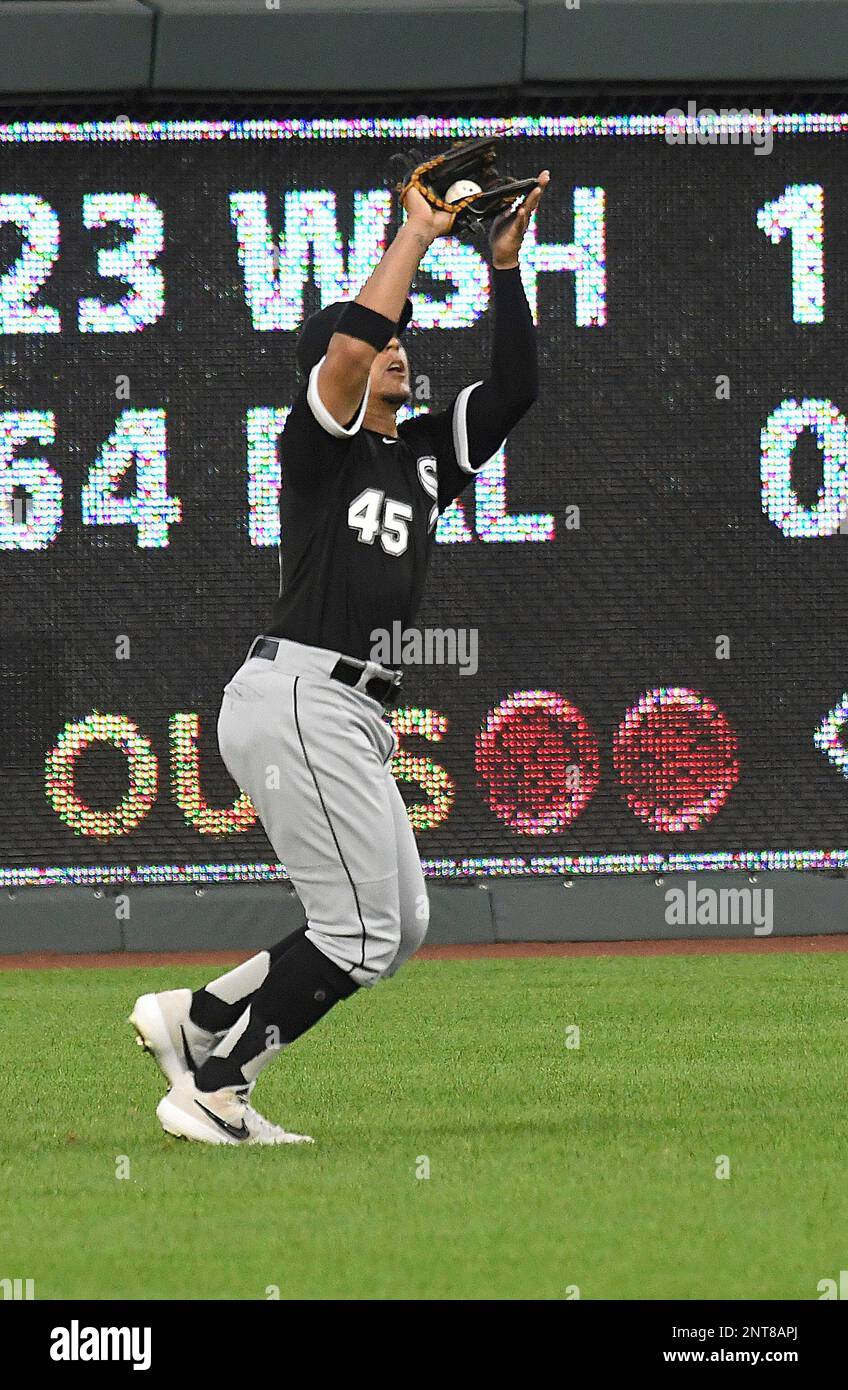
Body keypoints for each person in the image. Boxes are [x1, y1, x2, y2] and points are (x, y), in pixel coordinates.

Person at [130, 168, 550, 1144]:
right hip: (298, 694)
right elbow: (355, 337)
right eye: (374, 347)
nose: (393, 350)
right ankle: (215, 1086)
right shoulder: (317, 450)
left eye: (403, 342)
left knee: (394, 925)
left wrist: (501, 268)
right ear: (336, 372)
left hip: (348, 711)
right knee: (357, 929)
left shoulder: (422, 465)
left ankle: (192, 1021)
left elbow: (517, 387)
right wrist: (414, 232)